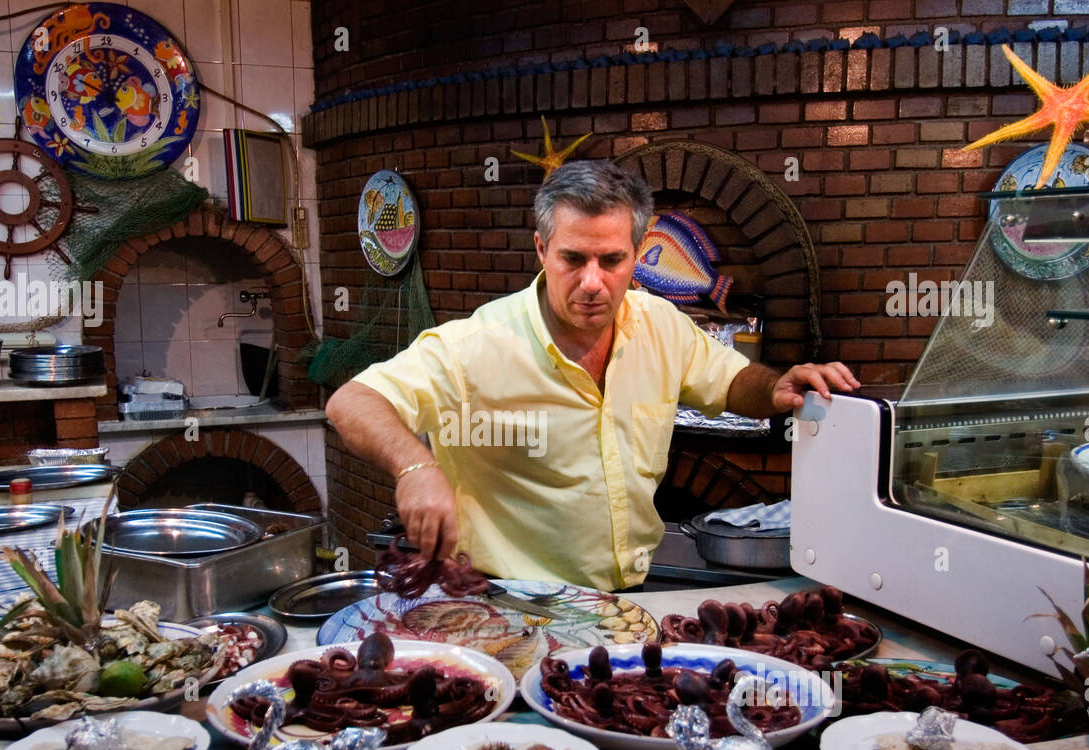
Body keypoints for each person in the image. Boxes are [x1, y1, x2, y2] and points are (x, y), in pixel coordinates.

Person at [326, 160, 859, 591]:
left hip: (625, 602)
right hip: (508, 602)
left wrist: (775, 386)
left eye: (612, 260)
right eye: (573, 258)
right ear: (541, 248)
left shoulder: (659, 324)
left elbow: (729, 382)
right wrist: (415, 466)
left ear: (637, 252)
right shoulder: (478, 343)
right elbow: (352, 401)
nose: (592, 282)